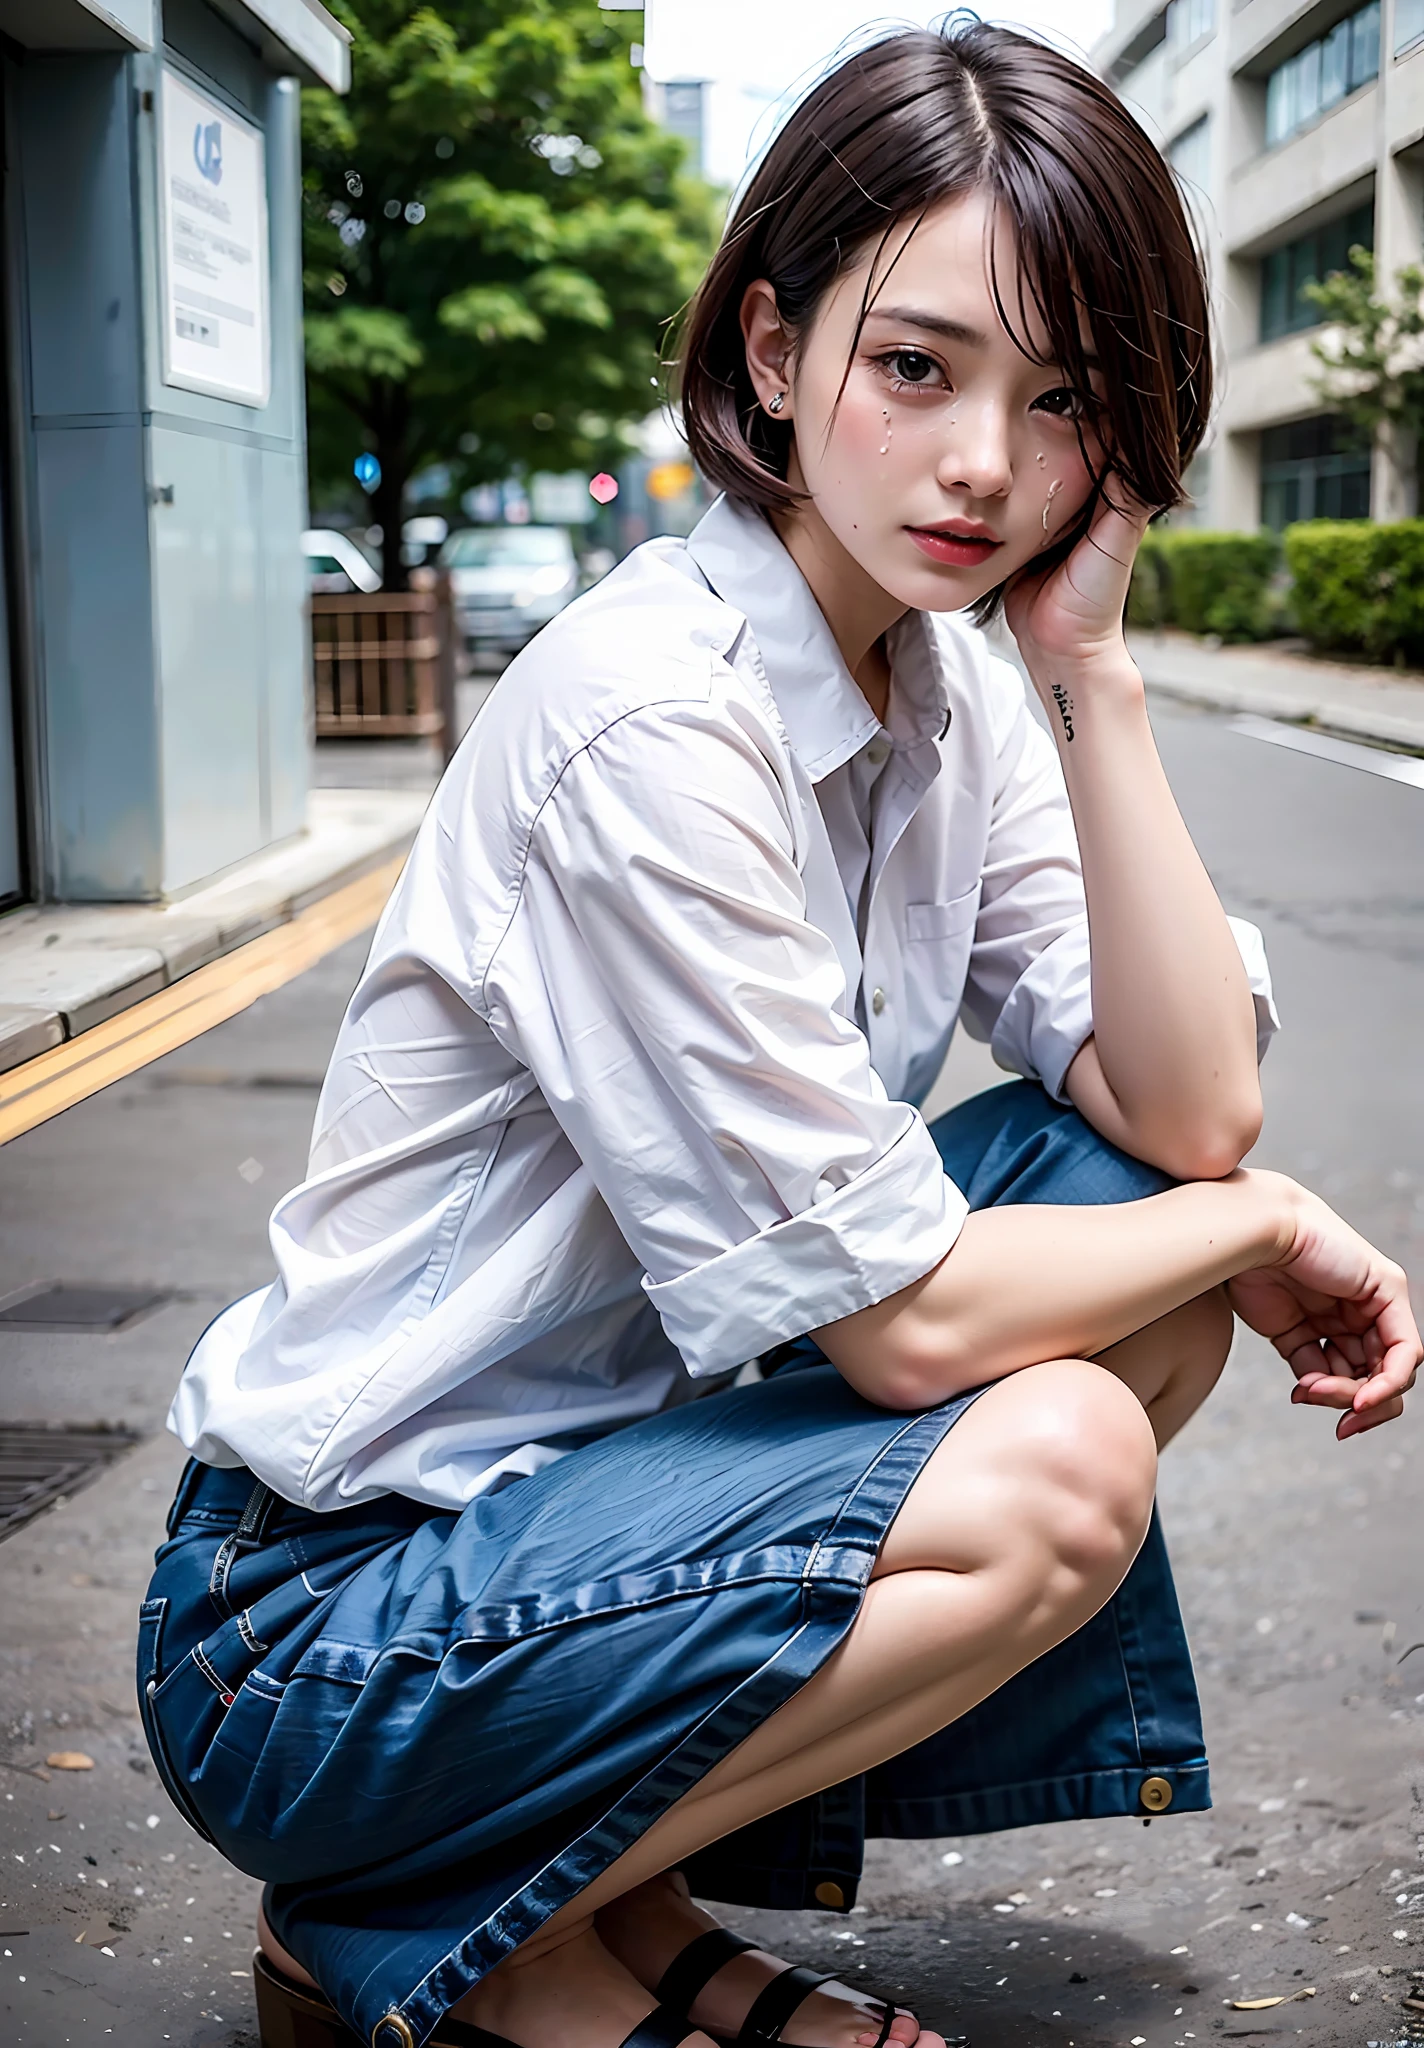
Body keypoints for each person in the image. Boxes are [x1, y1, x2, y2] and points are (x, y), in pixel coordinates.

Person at [139, 23, 1418, 2048]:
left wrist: (1091, 672)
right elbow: (914, 1327)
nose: (987, 464)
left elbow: (1186, 1110)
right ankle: (466, 1931)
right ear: (768, 349)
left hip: (602, 1516)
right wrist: (1261, 1227)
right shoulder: (659, 714)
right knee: (1067, 1429)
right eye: (916, 367)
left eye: (1061, 400)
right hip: (316, 1632)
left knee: (1133, 1259)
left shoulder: (950, 684)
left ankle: (588, 1902)